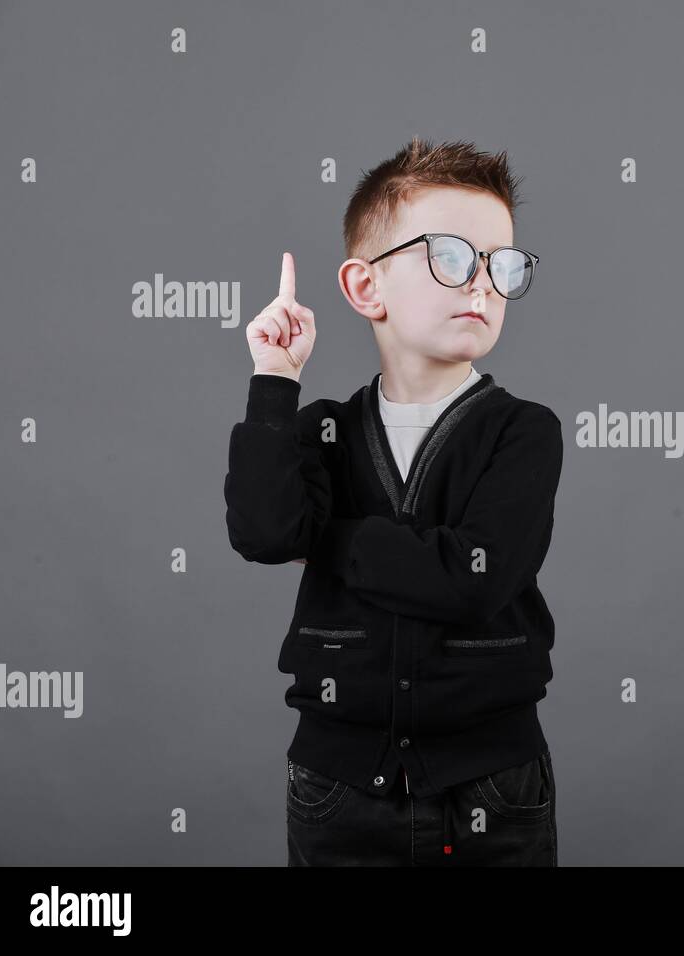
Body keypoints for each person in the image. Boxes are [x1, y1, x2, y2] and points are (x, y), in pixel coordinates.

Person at [223, 137, 562, 866]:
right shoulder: (321, 430)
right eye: (450, 256)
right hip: (339, 783)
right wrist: (274, 381)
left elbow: (472, 579)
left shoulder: (523, 432)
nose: (482, 284)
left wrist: (334, 538)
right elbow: (265, 530)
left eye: (501, 265)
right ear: (365, 288)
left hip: (492, 786)